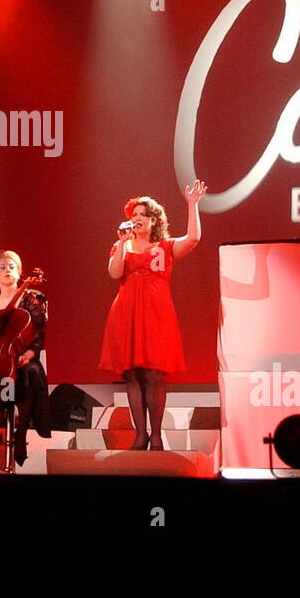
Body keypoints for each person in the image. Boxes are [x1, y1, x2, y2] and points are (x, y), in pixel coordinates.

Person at [100, 181, 206, 451]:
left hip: (156, 314)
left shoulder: (166, 246)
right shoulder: (121, 245)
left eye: (142, 215)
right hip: (126, 312)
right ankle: (140, 435)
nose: (136, 220)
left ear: (153, 219)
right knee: (132, 374)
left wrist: (192, 205)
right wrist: (122, 244)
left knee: (154, 375)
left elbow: (193, 238)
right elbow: (114, 274)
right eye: (133, 215)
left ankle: (156, 434)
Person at [0, 250, 50, 467]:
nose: (7, 270)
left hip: (23, 357)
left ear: (20, 273)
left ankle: (20, 432)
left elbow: (39, 332)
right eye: (2, 267)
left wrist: (29, 354)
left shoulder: (32, 299)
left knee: (28, 373)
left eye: (12, 266)